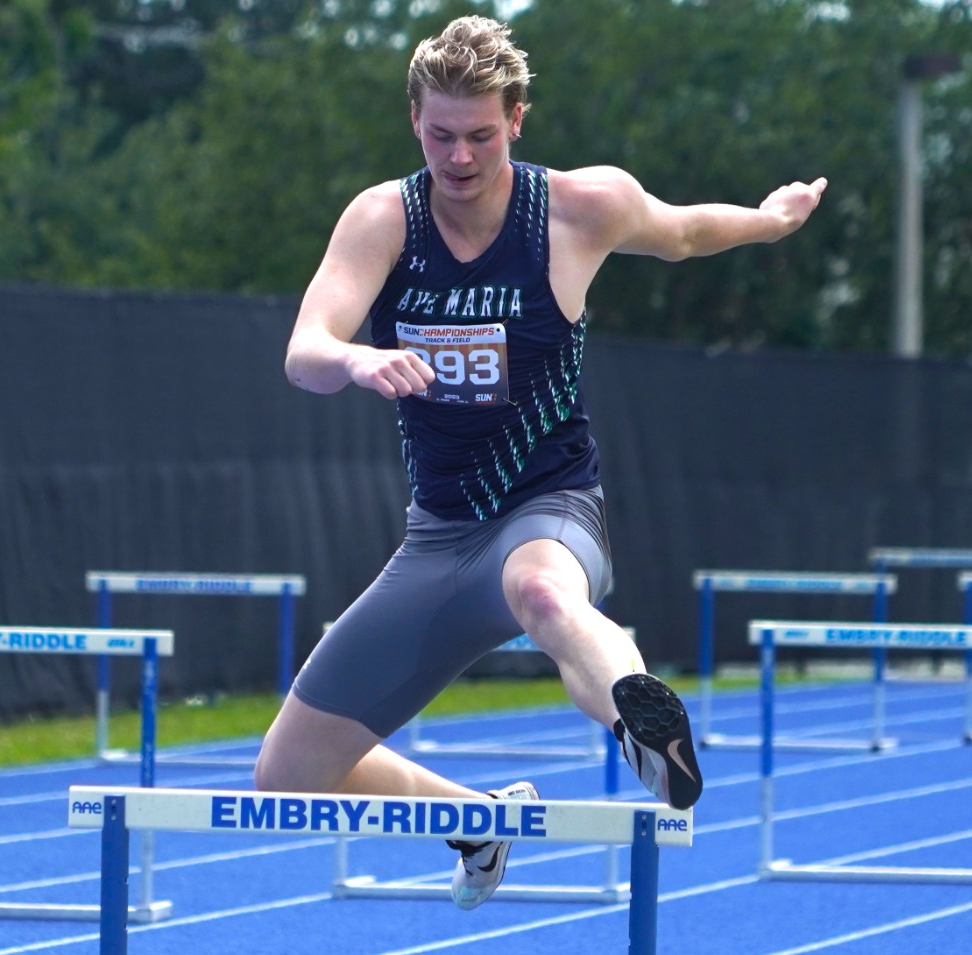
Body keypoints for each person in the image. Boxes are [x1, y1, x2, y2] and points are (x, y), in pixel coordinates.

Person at [256, 15, 825, 907]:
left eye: (481, 134)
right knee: (286, 778)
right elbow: (305, 350)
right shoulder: (383, 220)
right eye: (441, 134)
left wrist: (767, 219)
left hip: (551, 509)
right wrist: (360, 359)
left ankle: (639, 716)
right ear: (415, 120)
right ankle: (477, 820)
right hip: (439, 539)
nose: (460, 156)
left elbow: (680, 232)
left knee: (544, 596)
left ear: (517, 119)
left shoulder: (575, 207)